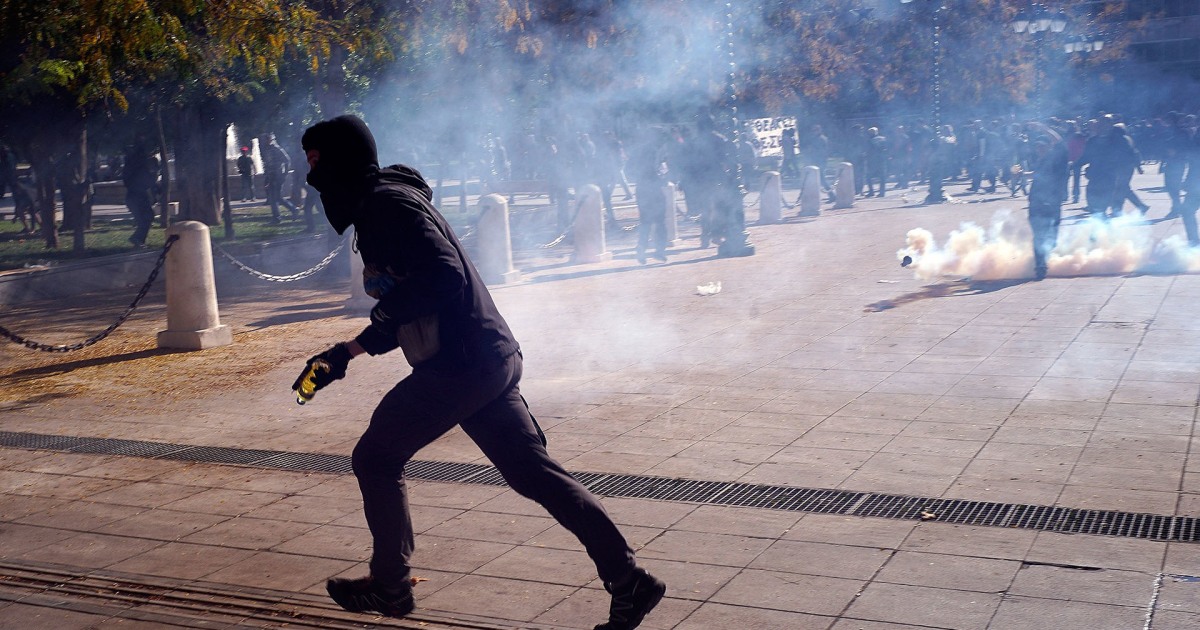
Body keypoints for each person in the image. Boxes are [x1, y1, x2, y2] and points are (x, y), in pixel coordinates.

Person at [295, 114, 666, 630]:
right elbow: (411, 303)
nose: (311, 177)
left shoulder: (387, 205)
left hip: (463, 364)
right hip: (484, 359)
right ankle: (631, 582)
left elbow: (442, 274)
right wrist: (344, 353)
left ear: (343, 159)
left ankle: (391, 585)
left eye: (317, 163)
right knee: (534, 475)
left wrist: (379, 318)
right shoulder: (377, 208)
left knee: (376, 456)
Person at [1024, 122, 1069, 280]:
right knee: (1038, 235)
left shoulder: (1058, 159)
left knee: (1051, 236)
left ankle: (1044, 258)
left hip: (1052, 202)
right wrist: (1023, 175)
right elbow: (1037, 175)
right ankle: (1040, 265)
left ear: (1050, 146)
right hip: (1036, 203)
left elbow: (1060, 142)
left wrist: (1043, 128)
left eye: (1043, 146)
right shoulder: (1041, 160)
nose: (1039, 149)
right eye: (1038, 146)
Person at [123, 143, 158, 247]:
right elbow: (149, 182)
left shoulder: (131, 166)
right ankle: (137, 239)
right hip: (138, 196)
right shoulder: (141, 167)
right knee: (146, 217)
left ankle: (139, 241)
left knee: (145, 218)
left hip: (133, 196)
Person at [260, 132, 298, 222]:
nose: (265, 141)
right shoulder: (267, 150)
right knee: (275, 198)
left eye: (266, 139)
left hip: (277, 177)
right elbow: (267, 164)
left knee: (275, 198)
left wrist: (284, 173)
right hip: (271, 177)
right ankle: (290, 211)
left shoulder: (277, 149)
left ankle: (279, 216)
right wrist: (267, 177)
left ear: (271, 139)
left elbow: (287, 160)